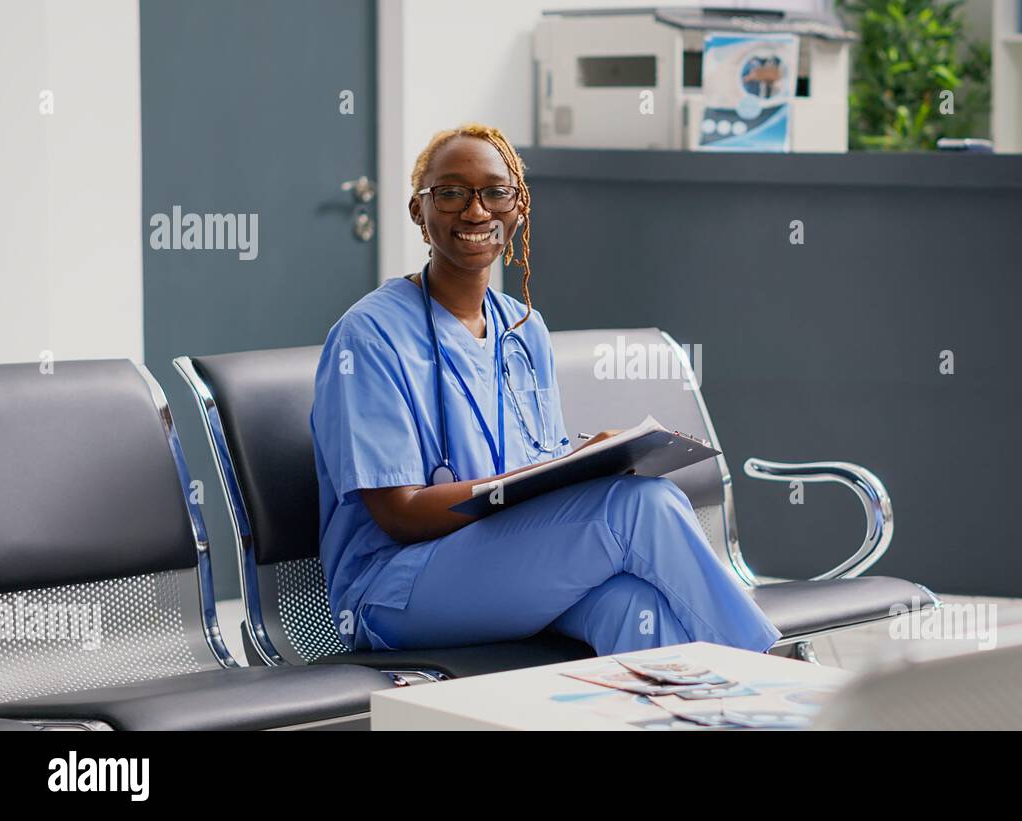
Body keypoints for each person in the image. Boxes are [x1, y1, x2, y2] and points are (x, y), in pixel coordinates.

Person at [309, 123, 781, 655]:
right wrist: (539, 477)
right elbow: (399, 514)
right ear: (419, 211)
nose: (474, 210)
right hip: (395, 589)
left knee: (634, 609)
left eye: (495, 192)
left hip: (510, 561)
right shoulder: (369, 334)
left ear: (518, 209)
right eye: (450, 193)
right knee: (638, 507)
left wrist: (586, 460)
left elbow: (541, 464)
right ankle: (771, 669)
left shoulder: (523, 329)